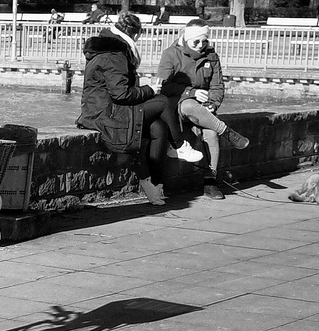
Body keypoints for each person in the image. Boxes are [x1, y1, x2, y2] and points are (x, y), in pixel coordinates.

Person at [77, 11, 203, 206]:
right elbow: (121, 94)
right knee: (161, 101)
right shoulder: (115, 55)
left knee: (158, 127)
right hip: (106, 114)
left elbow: (117, 90)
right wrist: (149, 89)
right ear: (134, 36)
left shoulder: (108, 50)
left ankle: (153, 184)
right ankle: (179, 145)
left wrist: (144, 89)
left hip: (102, 110)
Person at [157, 19, 251, 200]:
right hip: (177, 106)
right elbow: (164, 87)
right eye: (196, 42)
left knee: (211, 133)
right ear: (186, 38)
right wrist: (190, 92)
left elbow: (217, 86)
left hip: (202, 108)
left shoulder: (212, 57)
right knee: (189, 104)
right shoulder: (170, 54)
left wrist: (213, 104)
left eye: (204, 41)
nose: (201, 45)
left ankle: (211, 181)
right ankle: (228, 132)